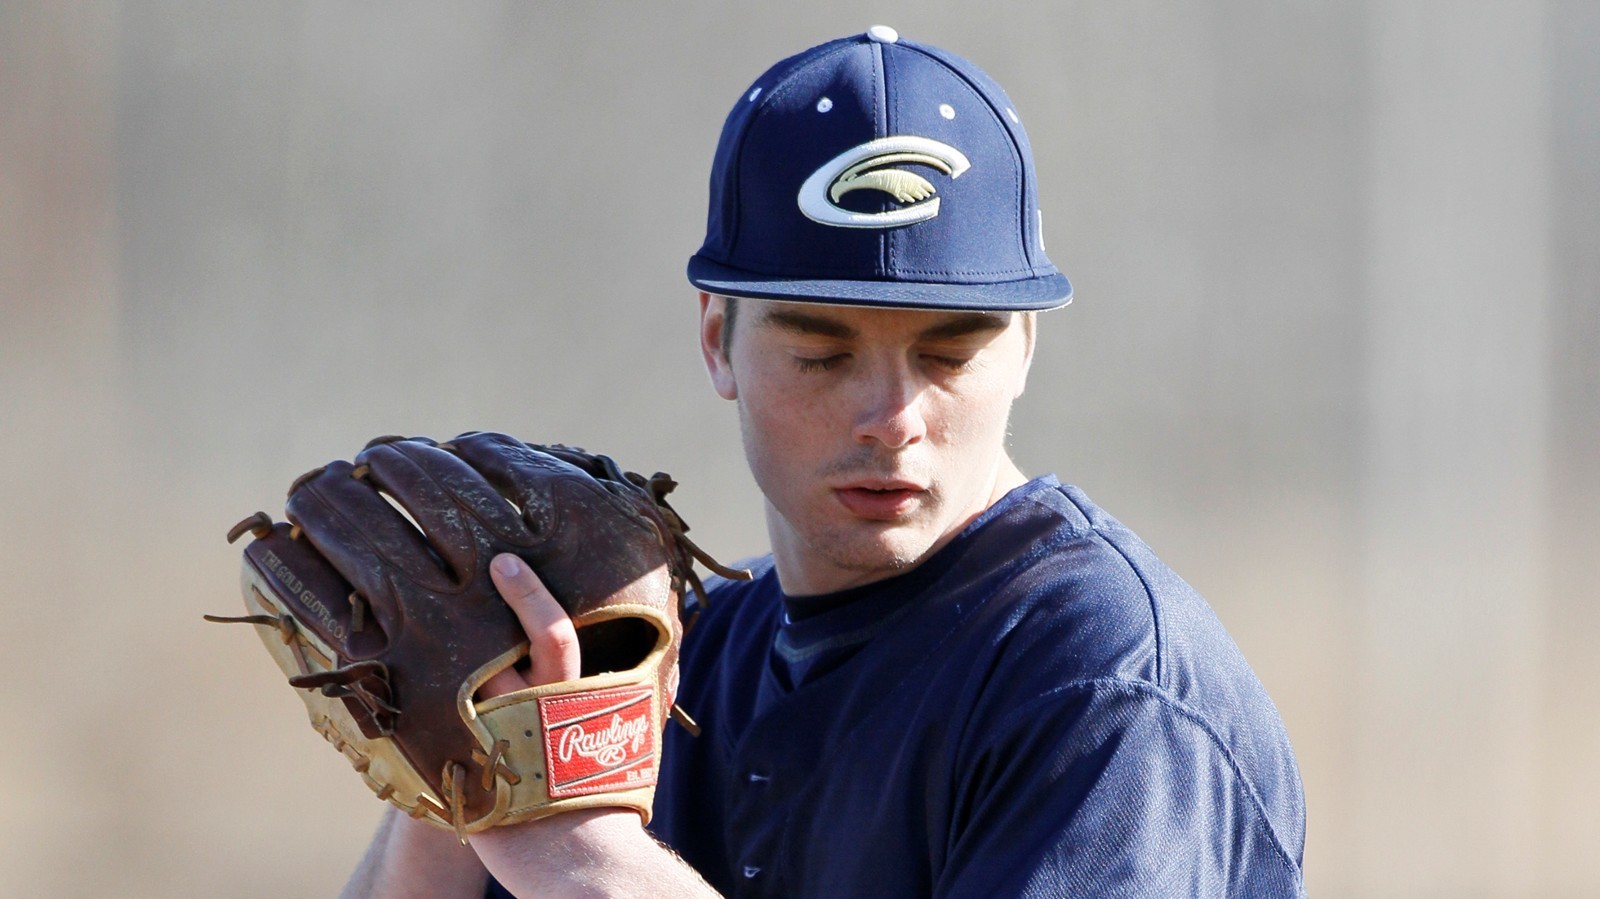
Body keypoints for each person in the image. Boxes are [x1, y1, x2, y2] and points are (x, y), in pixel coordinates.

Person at [341, 26, 1306, 898]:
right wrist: (461, 773)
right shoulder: (674, 658)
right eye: (821, 353)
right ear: (717, 339)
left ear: (1023, 348)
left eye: (949, 353)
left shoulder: (1102, 688)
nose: (891, 417)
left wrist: (588, 860)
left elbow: (584, 863)